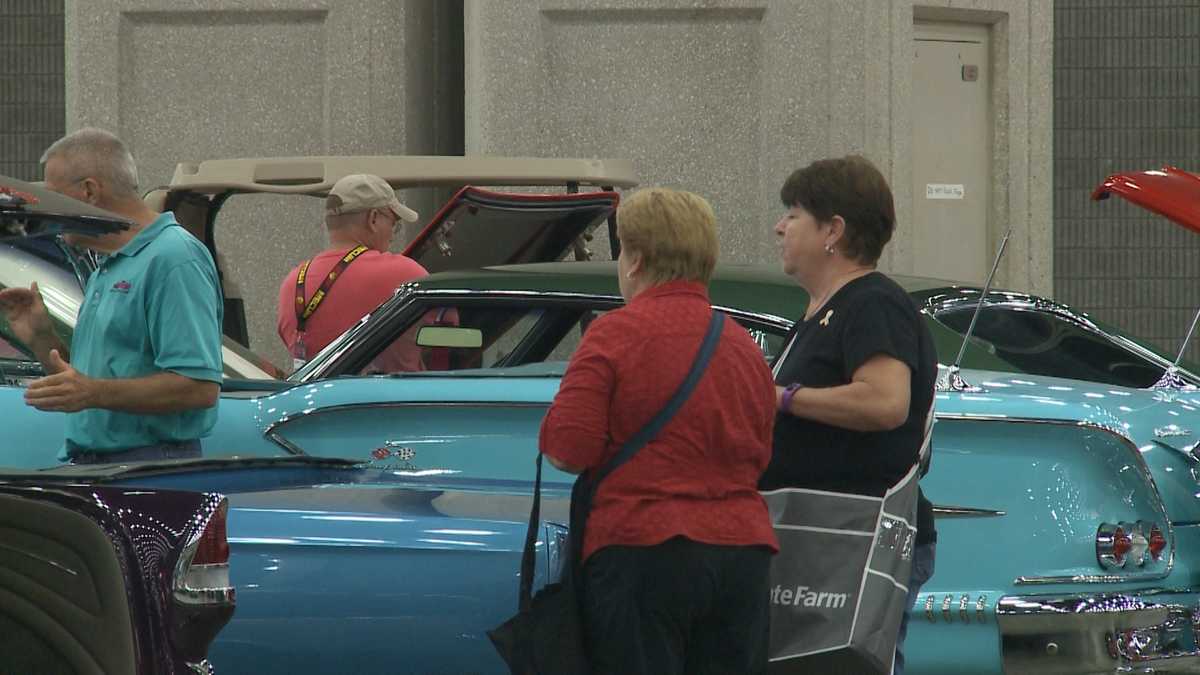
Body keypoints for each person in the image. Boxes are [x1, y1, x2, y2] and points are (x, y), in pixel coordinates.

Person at [540, 187, 779, 675]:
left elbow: (569, 450)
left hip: (644, 553)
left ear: (636, 260)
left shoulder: (613, 334)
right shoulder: (741, 346)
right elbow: (760, 450)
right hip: (742, 557)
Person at [759, 155, 937, 675]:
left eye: (794, 213)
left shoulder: (871, 304)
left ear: (833, 230)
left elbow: (885, 402)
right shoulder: (822, 309)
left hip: (855, 543)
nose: (780, 225)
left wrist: (785, 398)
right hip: (818, 542)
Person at [0, 128, 224, 464]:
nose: (47, 211)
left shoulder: (174, 258)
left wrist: (93, 392)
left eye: (52, 194)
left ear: (89, 190)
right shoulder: (110, 266)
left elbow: (199, 387)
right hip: (102, 464)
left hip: (148, 469)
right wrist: (41, 336)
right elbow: (87, 385)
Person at [276, 173, 426, 372]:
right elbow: (453, 326)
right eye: (393, 223)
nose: (392, 234)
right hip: (393, 400)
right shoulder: (405, 274)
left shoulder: (293, 283)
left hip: (319, 401)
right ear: (373, 218)